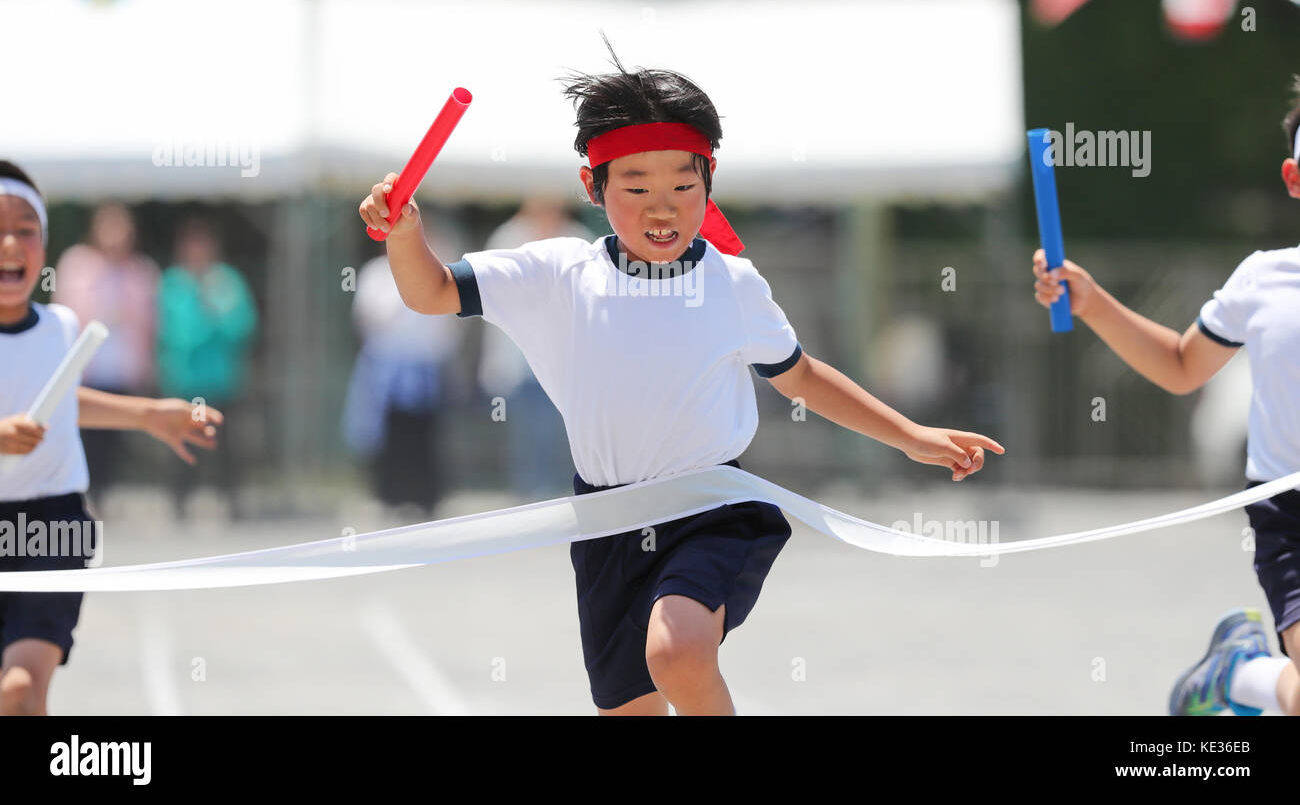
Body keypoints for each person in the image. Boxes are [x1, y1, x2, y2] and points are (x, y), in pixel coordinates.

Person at [359, 45, 1003, 716]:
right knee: (629, 707)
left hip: (712, 508)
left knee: (676, 651)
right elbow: (430, 292)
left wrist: (910, 435)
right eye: (636, 189)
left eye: (682, 189)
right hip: (606, 519)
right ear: (592, 187)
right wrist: (402, 233)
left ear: (710, 180)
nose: (661, 209)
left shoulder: (733, 284)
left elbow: (803, 378)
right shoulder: (555, 275)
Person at [1031, 77, 1300, 717]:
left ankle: (1244, 676)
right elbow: (1182, 365)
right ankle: (1242, 674)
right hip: (1290, 515)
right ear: (1294, 178)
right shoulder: (1263, 280)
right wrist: (1093, 302)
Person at [0, 161, 222, 715]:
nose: (10, 242)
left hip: (50, 526)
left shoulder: (63, 328)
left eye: (26, 228)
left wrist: (149, 415)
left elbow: (57, 401)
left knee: (21, 692)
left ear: (45, 244)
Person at [342, 220, 464, 517]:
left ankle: (425, 497)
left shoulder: (439, 269)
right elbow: (369, 319)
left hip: (426, 368)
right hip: (388, 371)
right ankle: (390, 495)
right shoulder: (376, 273)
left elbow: (446, 322)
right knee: (389, 434)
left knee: (425, 433)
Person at [478, 198, 593, 500]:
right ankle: (528, 491)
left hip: (566, 357)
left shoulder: (579, 240)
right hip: (520, 359)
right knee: (526, 431)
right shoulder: (508, 239)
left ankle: (557, 490)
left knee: (562, 432)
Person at [54, 203, 159, 494]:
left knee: (114, 441)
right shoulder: (78, 265)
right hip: (87, 372)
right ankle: (85, 493)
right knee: (86, 439)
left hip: (123, 371)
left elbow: (148, 322)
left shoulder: (140, 270)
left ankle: (102, 494)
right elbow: (66, 313)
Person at [157, 218, 256, 520]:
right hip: (187, 382)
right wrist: (210, 323)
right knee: (185, 444)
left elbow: (243, 325)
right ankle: (180, 503)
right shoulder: (173, 284)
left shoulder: (227, 281)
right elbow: (176, 333)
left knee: (226, 447)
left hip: (221, 380)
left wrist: (212, 318)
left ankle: (231, 502)